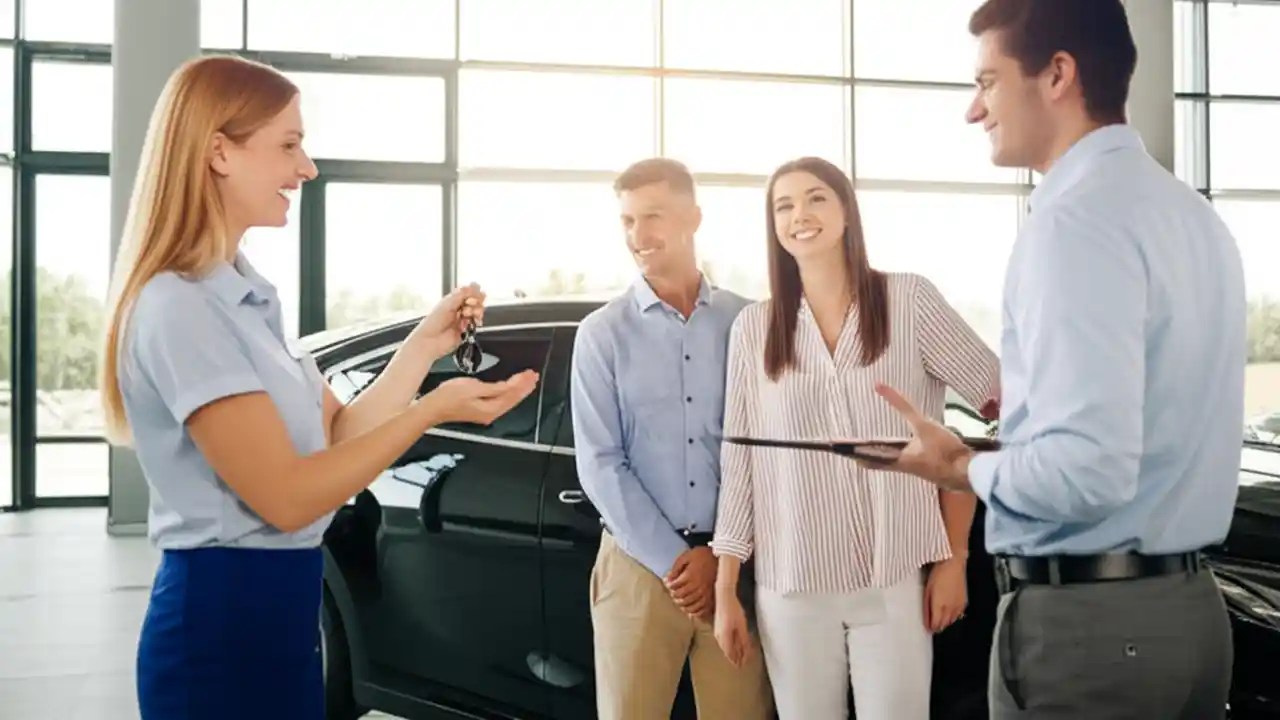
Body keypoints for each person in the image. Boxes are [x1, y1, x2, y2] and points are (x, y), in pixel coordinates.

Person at [98, 55, 537, 719]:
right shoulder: (180, 308)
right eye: (289, 145)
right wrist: (432, 412)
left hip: (283, 623)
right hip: (220, 633)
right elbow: (288, 497)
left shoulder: (247, 298)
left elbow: (338, 436)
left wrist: (423, 348)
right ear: (219, 152)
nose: (307, 168)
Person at [868, 2, 1245, 718]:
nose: (973, 111)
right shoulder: (1193, 217)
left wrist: (959, 467)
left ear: (1058, 75)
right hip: (1192, 621)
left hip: (1090, 640)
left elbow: (1086, 473)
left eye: (987, 81)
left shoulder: (1073, 223)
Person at [710, 156, 1000, 720]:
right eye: (784, 205)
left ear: (846, 212)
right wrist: (726, 588)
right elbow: (740, 461)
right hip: (790, 583)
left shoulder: (910, 301)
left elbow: (999, 399)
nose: (801, 215)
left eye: (817, 198)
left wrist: (954, 557)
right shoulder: (754, 328)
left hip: (891, 575)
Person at [570, 157, 773, 720]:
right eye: (628, 221)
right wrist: (675, 561)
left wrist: (721, 555)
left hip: (736, 570)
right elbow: (600, 462)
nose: (639, 236)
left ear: (694, 218)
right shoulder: (601, 335)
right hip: (637, 569)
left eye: (653, 216)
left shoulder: (749, 322)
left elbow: (763, 451)